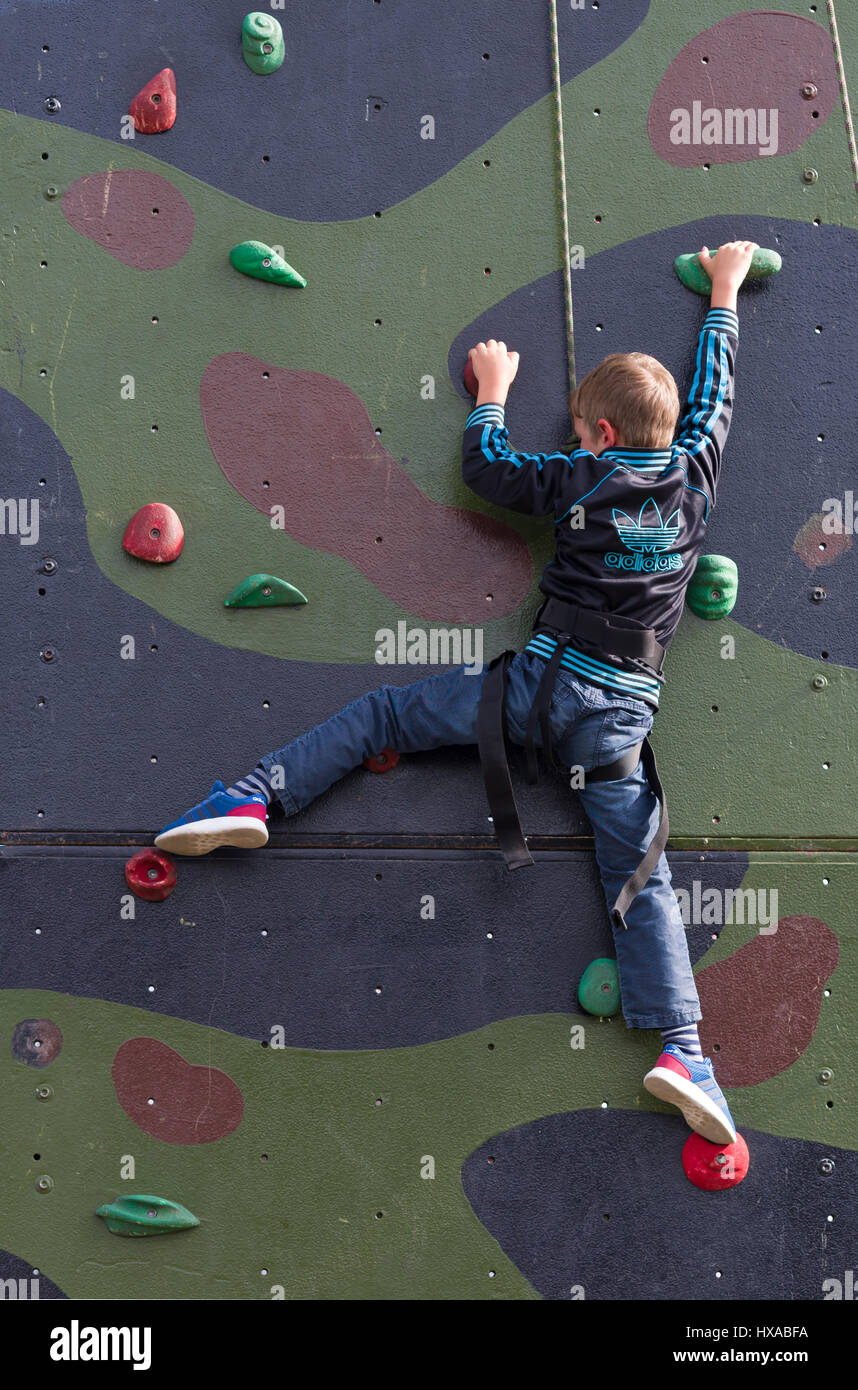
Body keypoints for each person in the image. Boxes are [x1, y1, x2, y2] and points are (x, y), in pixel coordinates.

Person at [155, 240, 759, 1147]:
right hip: (617, 725)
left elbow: (488, 470)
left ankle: (258, 795)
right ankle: (681, 1047)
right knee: (641, 878)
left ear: (592, 434)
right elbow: (715, 398)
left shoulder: (577, 477)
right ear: (669, 438)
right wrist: (724, 293)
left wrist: (489, 393)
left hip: (532, 694)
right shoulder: (692, 478)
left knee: (383, 718)